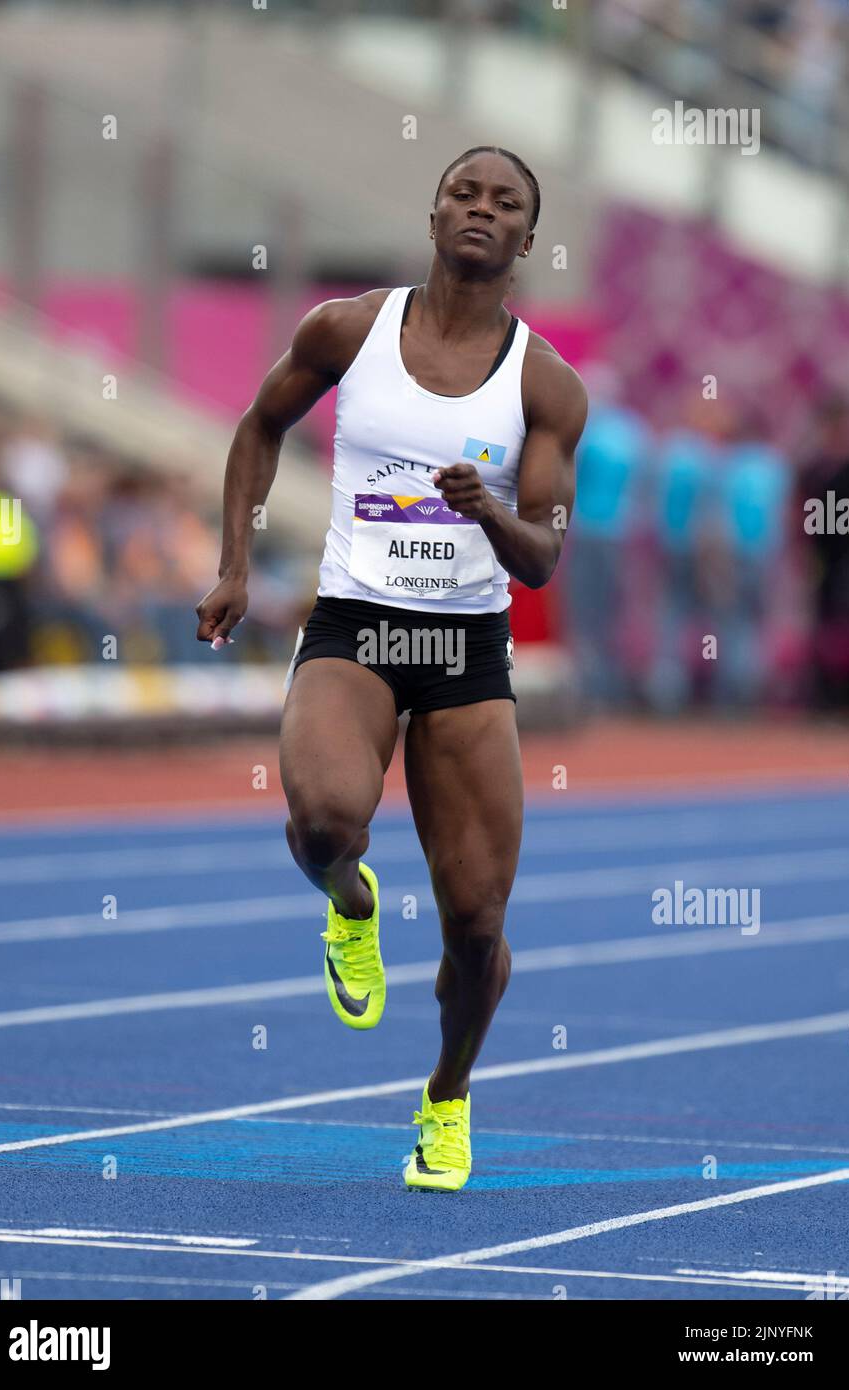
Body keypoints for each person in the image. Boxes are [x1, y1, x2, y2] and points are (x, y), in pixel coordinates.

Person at [196, 146, 587, 1191]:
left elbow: (545, 557)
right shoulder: (347, 329)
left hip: (463, 650)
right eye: (465, 191)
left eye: (504, 202)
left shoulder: (543, 383)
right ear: (432, 211)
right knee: (323, 819)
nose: (480, 208)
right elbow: (258, 425)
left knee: (476, 923)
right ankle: (350, 904)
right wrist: (235, 564)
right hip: (357, 628)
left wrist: (489, 511)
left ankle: (448, 1094)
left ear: (524, 241)